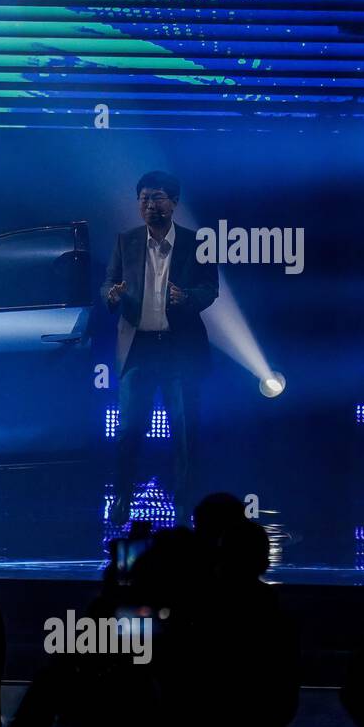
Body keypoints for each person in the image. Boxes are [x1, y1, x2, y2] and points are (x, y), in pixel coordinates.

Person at [102, 171, 218, 526]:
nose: (150, 205)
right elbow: (108, 283)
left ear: (174, 203)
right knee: (127, 430)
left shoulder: (196, 243)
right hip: (139, 348)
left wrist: (188, 298)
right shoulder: (127, 241)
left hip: (179, 349)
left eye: (157, 198)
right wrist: (113, 294)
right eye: (144, 199)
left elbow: (210, 289)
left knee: (184, 431)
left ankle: (184, 505)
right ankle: (121, 496)